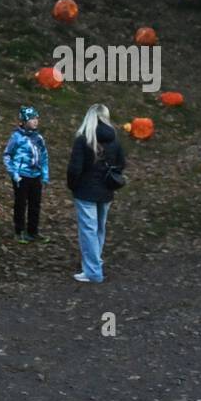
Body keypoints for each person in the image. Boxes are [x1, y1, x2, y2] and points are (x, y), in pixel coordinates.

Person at [66, 103, 126, 283]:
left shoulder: (83, 139)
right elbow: (121, 164)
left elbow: (74, 169)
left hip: (85, 192)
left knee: (88, 231)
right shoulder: (114, 139)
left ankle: (92, 272)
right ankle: (95, 263)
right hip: (106, 191)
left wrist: (73, 186)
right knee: (99, 229)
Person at [3, 106, 50, 243]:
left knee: (35, 204)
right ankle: (19, 231)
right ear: (23, 121)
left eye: (36, 118)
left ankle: (33, 231)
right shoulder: (16, 137)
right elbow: (7, 155)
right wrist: (14, 173)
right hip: (21, 176)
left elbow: (44, 156)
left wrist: (45, 173)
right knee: (20, 203)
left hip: (36, 175)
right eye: (31, 119)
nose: (35, 121)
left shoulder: (38, 138)